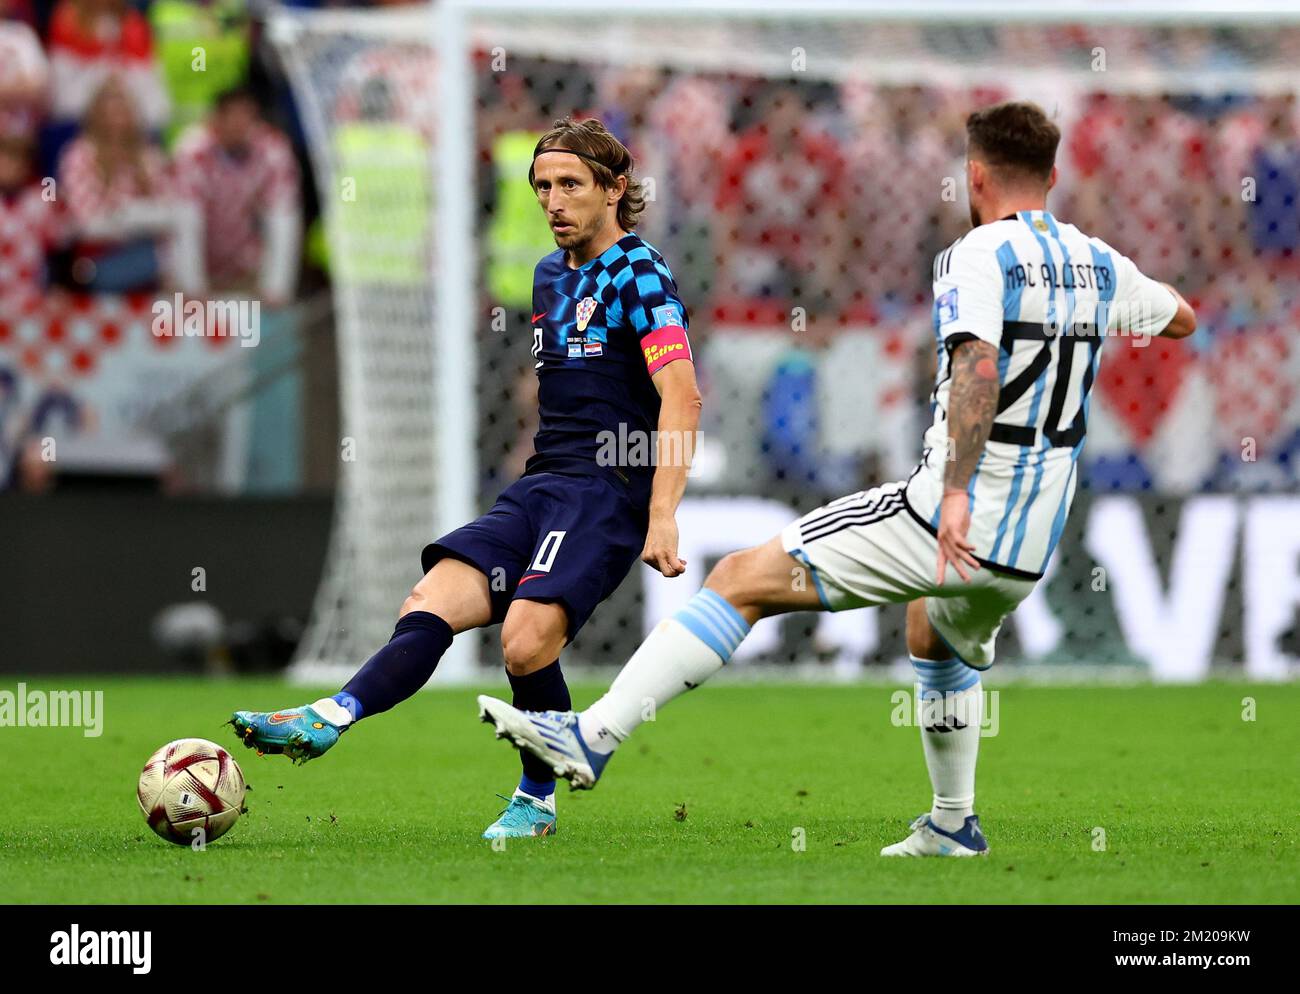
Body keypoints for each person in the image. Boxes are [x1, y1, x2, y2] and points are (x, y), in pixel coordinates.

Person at [477, 101, 1197, 857]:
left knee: (739, 579)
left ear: (973, 175)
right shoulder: (1097, 260)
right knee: (933, 629)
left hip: (953, 511)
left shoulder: (978, 255)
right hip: (1031, 538)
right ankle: (954, 822)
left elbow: (978, 365)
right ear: (1054, 176)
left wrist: (952, 492)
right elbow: (1178, 317)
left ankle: (592, 736)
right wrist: (1083, 314)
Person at [231, 118, 703, 840]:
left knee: (523, 642)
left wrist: (662, 513)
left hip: (606, 491)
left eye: (571, 185)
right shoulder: (550, 275)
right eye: (542, 186)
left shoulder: (639, 269)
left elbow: (682, 393)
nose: (553, 201)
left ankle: (536, 798)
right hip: (544, 481)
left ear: (614, 189)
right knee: (431, 598)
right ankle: (331, 715)